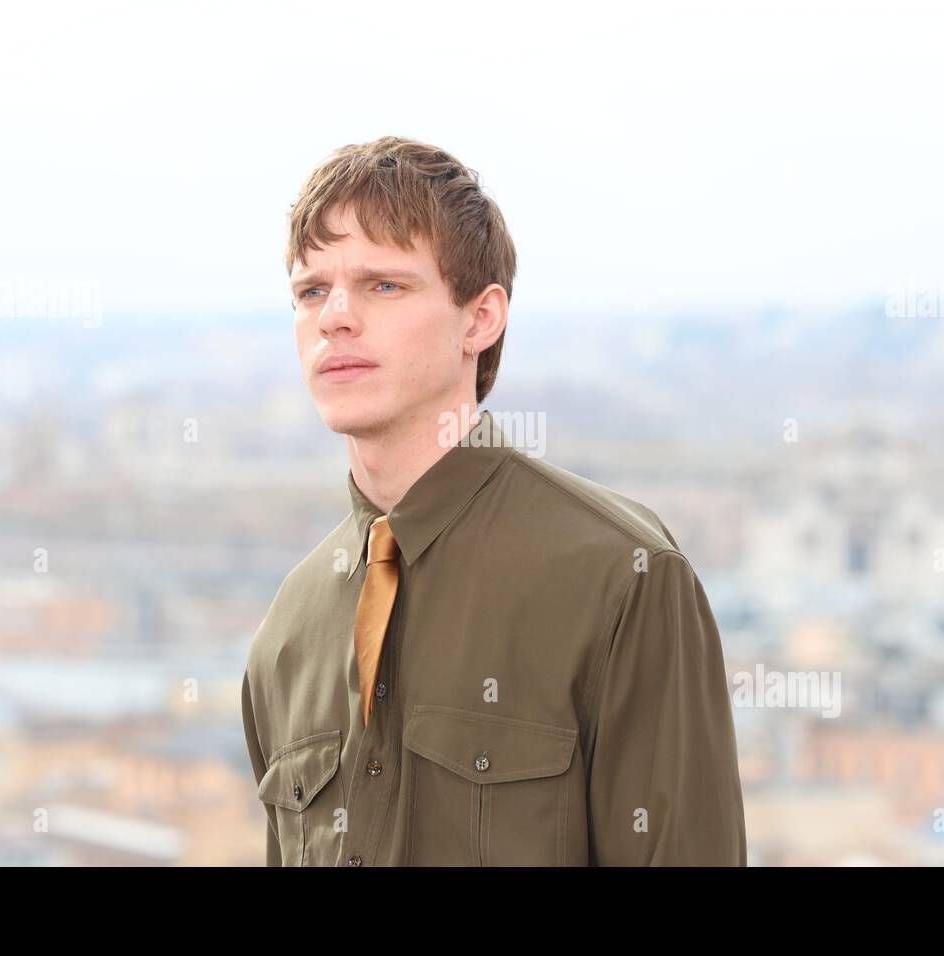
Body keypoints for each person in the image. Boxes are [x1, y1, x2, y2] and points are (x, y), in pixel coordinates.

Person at [241, 135, 746, 866]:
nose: (335, 317)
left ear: (480, 318)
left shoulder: (620, 576)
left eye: (384, 284)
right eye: (311, 290)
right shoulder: (288, 631)